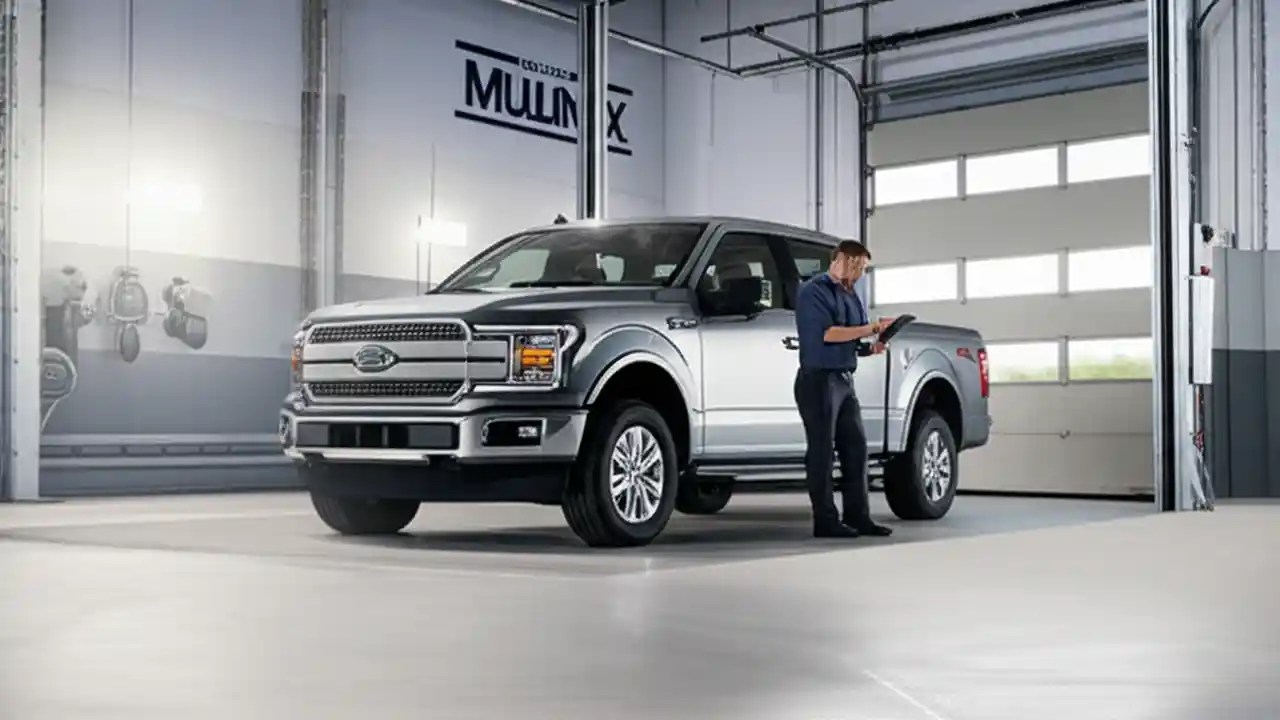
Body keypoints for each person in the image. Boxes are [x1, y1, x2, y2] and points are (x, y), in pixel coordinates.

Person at [793, 240, 895, 539]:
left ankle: (858, 517)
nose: (862, 273)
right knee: (822, 452)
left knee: (856, 449)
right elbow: (828, 334)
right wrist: (872, 328)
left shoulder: (851, 295)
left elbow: (851, 339)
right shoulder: (814, 291)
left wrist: (871, 346)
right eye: (860, 267)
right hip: (818, 381)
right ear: (846, 261)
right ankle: (824, 520)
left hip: (844, 380)